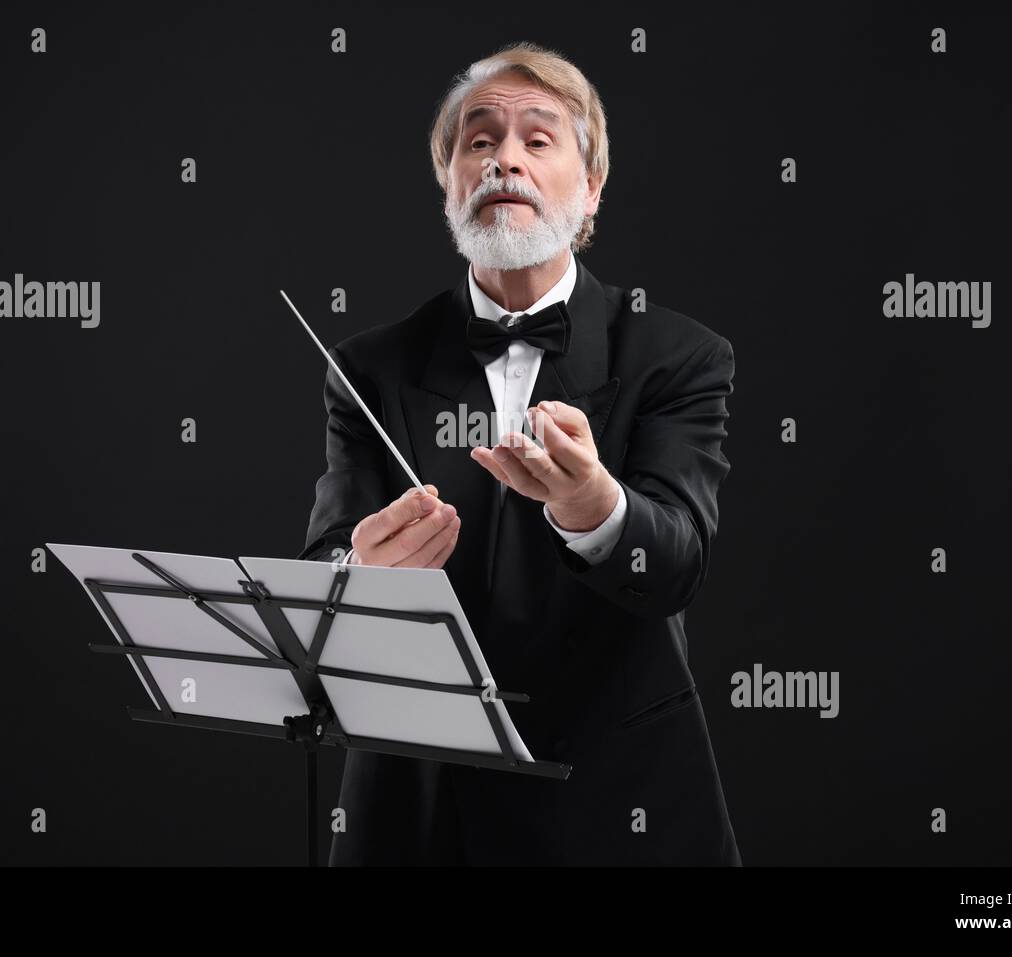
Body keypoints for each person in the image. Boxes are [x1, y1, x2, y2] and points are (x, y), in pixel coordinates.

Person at [298, 41, 741, 865]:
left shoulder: (680, 355)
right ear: (449, 181)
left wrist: (595, 509)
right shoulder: (369, 366)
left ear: (592, 185)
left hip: (618, 801)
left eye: (538, 139)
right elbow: (324, 561)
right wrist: (358, 576)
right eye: (479, 140)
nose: (505, 158)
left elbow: (677, 566)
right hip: (416, 807)